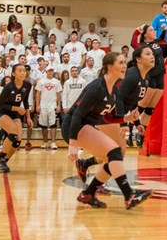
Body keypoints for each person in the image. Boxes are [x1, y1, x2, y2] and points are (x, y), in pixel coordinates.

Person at [69, 52, 152, 210]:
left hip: (87, 126)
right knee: (115, 152)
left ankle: (88, 193)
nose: (124, 66)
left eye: (124, 62)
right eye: (120, 62)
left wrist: (127, 119)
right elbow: (76, 115)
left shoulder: (112, 90)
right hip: (75, 126)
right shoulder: (96, 88)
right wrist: (72, 144)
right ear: (109, 67)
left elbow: (110, 118)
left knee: (113, 157)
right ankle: (129, 195)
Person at [0, 64, 32, 173]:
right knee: (13, 132)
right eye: (19, 71)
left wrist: (28, 117)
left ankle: (4, 161)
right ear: (13, 73)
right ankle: (0, 160)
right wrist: (16, 108)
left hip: (14, 113)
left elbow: (25, 101)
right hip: (3, 112)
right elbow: (0, 105)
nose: (22, 73)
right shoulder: (9, 87)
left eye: (24, 71)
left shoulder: (28, 85)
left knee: (17, 141)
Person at [34, 66, 63, 150]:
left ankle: (53, 142)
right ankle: (45, 142)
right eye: (49, 71)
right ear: (46, 71)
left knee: (53, 124)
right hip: (43, 106)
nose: (50, 72)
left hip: (52, 106)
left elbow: (58, 94)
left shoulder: (56, 82)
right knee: (43, 125)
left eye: (51, 71)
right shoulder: (41, 82)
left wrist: (58, 105)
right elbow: (38, 94)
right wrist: (37, 105)